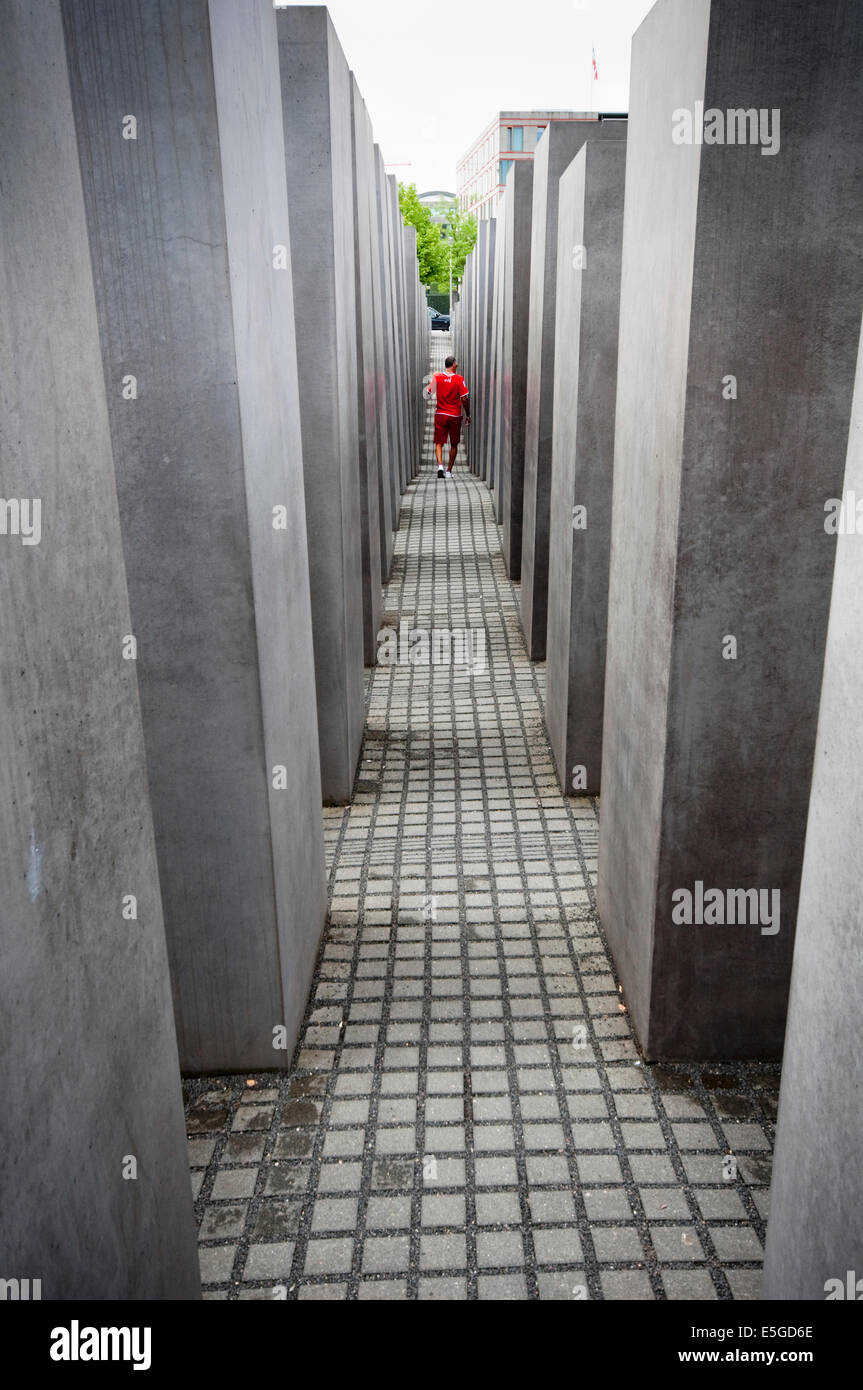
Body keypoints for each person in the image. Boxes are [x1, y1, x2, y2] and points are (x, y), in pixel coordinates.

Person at [427, 355, 470, 479]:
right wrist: (468, 415)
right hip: (455, 415)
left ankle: (440, 465)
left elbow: (428, 393)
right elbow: (464, 398)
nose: (458, 365)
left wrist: (433, 379)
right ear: (453, 364)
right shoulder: (459, 379)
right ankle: (448, 471)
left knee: (438, 442)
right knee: (454, 444)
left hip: (440, 414)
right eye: (456, 363)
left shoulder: (438, 377)